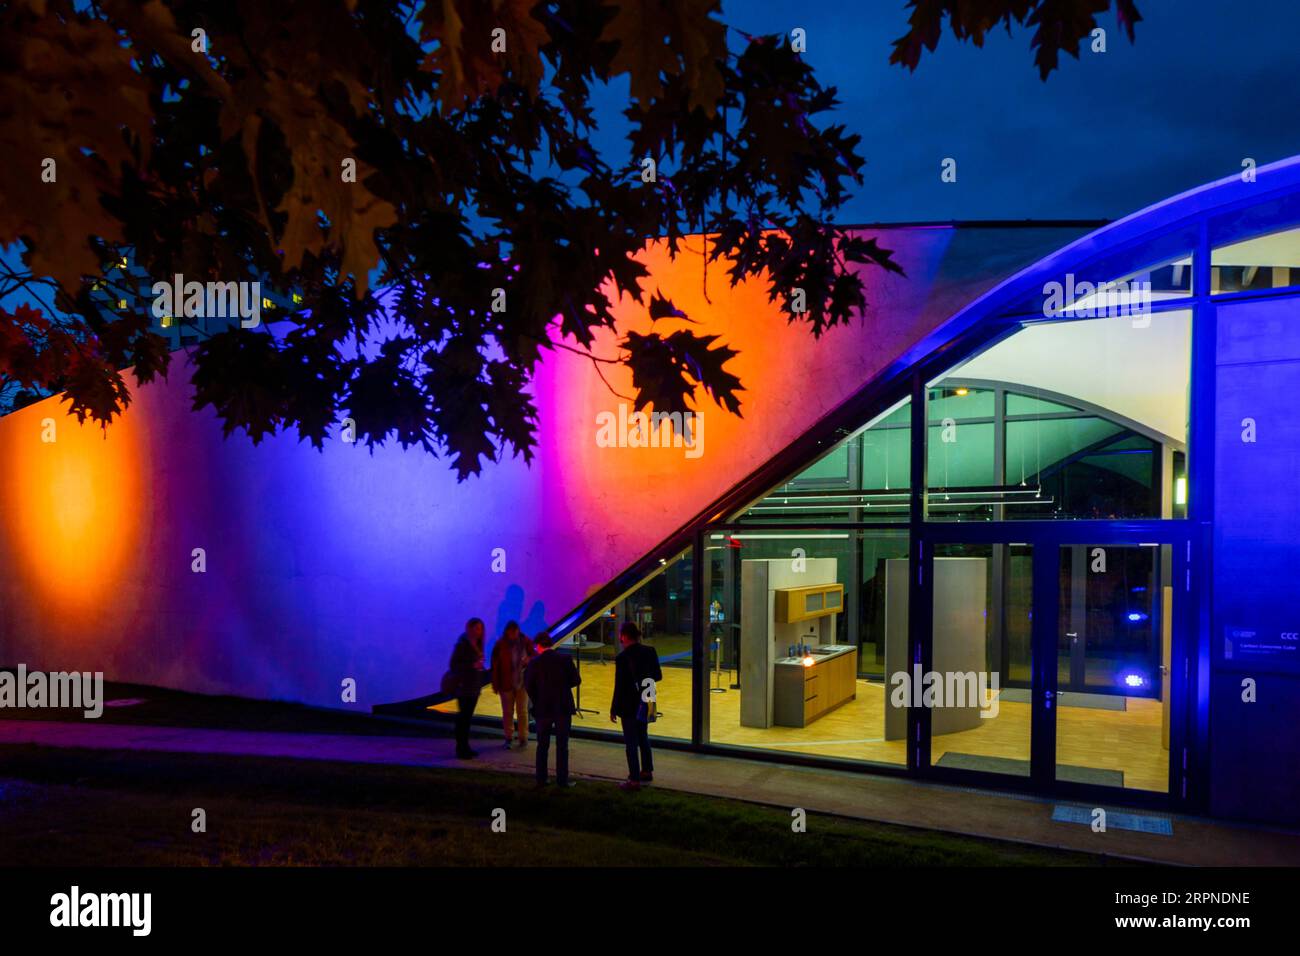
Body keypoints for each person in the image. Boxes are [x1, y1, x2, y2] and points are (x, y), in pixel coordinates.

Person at [523, 631, 580, 788]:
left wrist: (537, 699)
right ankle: (562, 779)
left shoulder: (534, 663)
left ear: (538, 645)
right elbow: (576, 680)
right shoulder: (564, 659)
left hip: (543, 708)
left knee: (542, 745)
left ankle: (541, 778)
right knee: (562, 745)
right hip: (562, 707)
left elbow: (528, 684)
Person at [610, 621, 662, 791]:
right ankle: (647, 770)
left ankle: (633, 780)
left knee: (631, 742)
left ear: (624, 636)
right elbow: (657, 676)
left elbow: (619, 686)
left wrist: (614, 708)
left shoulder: (622, 658)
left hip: (628, 704)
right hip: (646, 700)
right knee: (643, 737)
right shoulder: (650, 651)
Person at [490, 620, 534, 749]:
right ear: (507, 632)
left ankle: (523, 737)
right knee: (508, 712)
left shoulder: (525, 642)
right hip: (506, 683)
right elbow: (495, 666)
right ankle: (508, 737)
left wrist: (529, 660)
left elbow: (534, 656)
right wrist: (495, 683)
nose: (514, 634)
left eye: (515, 631)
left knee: (522, 711)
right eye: (511, 631)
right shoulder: (500, 645)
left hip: (522, 683)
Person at [447, 617, 486, 759]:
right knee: (463, 718)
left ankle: (465, 747)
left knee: (467, 718)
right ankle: (461, 748)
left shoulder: (477, 644)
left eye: (481, 628)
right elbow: (453, 665)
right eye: (476, 628)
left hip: (473, 687)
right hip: (464, 687)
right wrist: (472, 666)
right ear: (469, 628)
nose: (479, 631)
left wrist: (478, 667)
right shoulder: (462, 644)